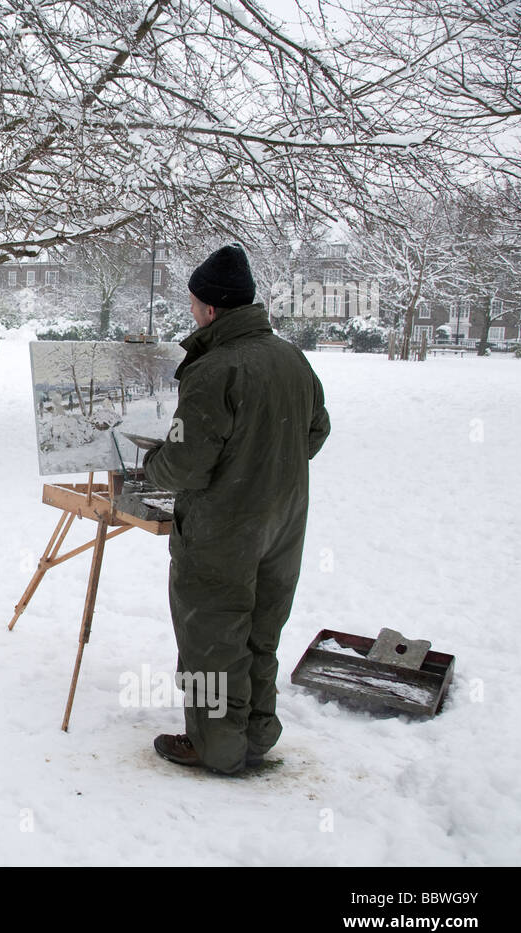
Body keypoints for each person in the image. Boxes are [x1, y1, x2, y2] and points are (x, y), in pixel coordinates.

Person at [142, 243, 330, 775]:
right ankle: (256, 732)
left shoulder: (214, 368)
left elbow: (186, 465)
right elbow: (316, 430)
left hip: (222, 529)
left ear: (210, 308)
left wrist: (151, 463)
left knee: (213, 635)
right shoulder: (291, 358)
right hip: (284, 523)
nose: (192, 310)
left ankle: (216, 745)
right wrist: (267, 462)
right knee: (260, 630)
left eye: (194, 302)